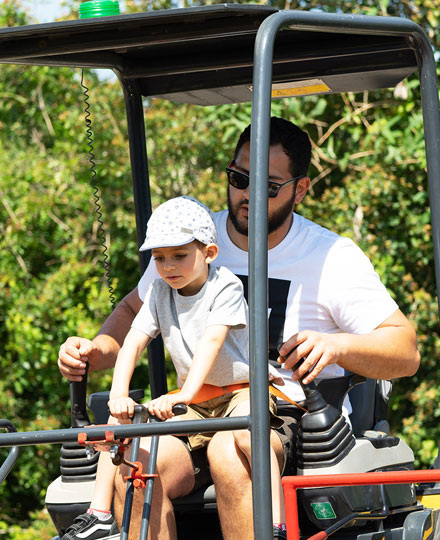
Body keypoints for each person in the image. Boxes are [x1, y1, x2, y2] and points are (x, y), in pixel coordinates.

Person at [58, 117, 421, 540]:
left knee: (231, 450)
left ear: (299, 189)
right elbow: (129, 317)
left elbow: (406, 351)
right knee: (134, 463)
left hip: (285, 410)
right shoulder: (187, 243)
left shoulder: (332, 256)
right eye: (238, 178)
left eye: (267, 185)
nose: (247, 194)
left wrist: (337, 345)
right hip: (194, 407)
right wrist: (95, 351)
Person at [60, 196, 289, 540]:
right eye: (159, 258)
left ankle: (275, 523)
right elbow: (134, 342)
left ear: (208, 253)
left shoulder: (224, 286)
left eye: (179, 256)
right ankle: (99, 512)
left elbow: (212, 344)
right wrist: (119, 395)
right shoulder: (158, 292)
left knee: (247, 434)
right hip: (195, 404)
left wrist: (183, 393)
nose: (168, 267)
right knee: (128, 434)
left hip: (239, 392)